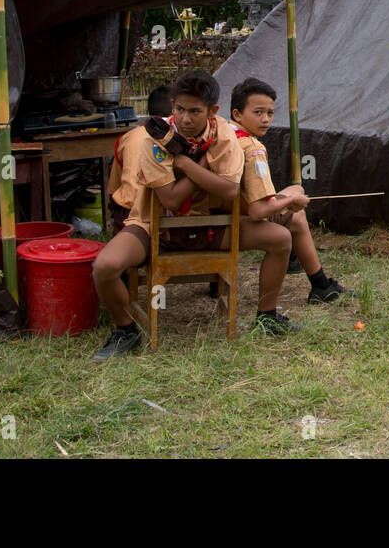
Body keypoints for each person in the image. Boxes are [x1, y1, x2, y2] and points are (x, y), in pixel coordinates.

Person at [90, 71, 292, 359]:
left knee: (281, 238)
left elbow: (229, 191)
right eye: (179, 109)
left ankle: (267, 316)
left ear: (212, 112)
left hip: (211, 226)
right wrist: (204, 167)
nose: (185, 119)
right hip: (155, 228)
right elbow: (170, 197)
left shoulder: (224, 134)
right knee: (105, 267)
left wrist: (185, 163)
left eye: (195, 111)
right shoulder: (155, 137)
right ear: (173, 105)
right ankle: (126, 330)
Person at [230, 77, 354, 308]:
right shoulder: (252, 148)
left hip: (225, 213)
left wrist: (290, 197)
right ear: (238, 114)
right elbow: (258, 211)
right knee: (296, 214)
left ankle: (315, 279)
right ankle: (318, 284)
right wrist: (293, 201)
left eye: (269, 113)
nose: (266, 119)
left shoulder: (225, 134)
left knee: (295, 189)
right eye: (258, 112)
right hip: (234, 221)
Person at [108, 84, 173, 225]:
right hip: (161, 213)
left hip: (126, 210)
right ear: (176, 110)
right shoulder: (175, 137)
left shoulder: (128, 137)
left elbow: (113, 187)